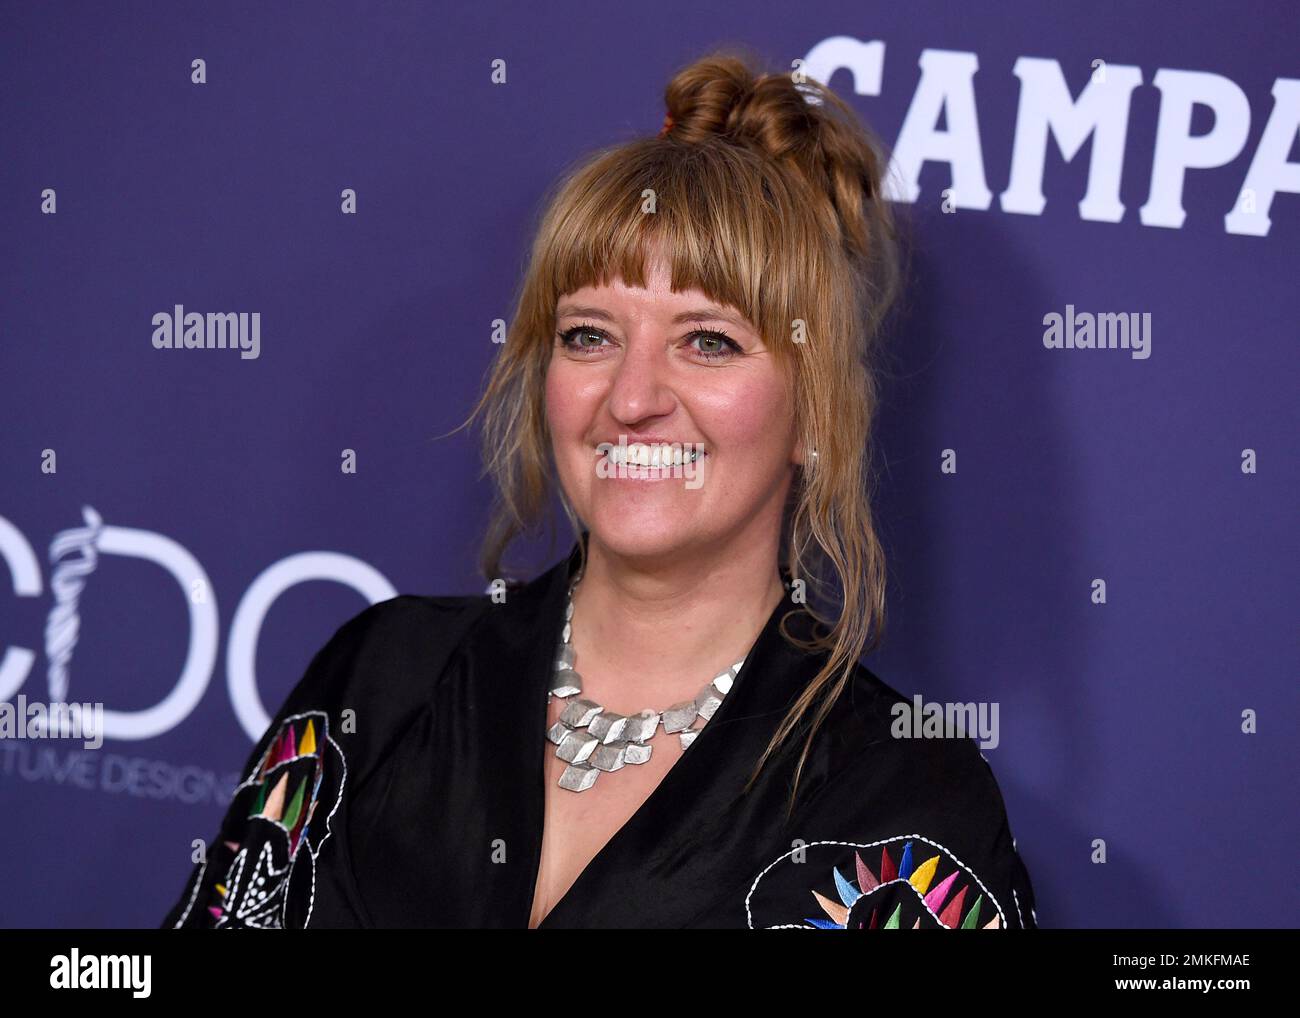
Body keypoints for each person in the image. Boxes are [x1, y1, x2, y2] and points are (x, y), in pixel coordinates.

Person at [160, 48, 1037, 930]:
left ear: (816, 416)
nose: (632, 397)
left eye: (709, 341)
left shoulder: (909, 806)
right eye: (588, 336)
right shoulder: (380, 682)